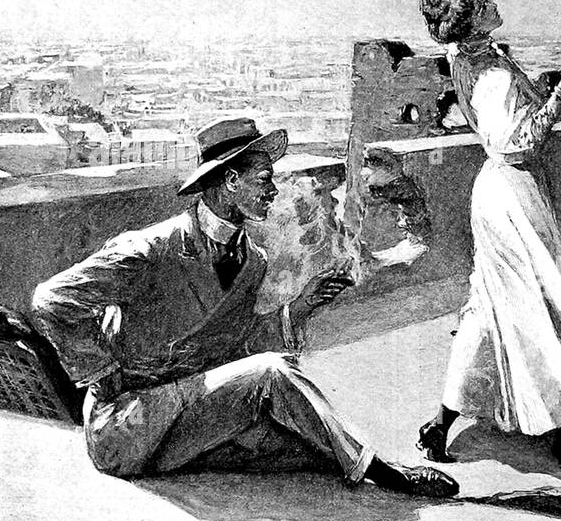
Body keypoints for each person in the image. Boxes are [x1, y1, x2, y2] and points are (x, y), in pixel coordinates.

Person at [31, 115, 458, 497]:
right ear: (231, 181)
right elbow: (52, 299)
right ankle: (387, 474)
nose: (273, 190)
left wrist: (300, 307)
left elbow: (238, 344)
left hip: (186, 422)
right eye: (264, 178)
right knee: (274, 374)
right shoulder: (148, 249)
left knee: (305, 444)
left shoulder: (253, 259)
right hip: (128, 426)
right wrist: (103, 373)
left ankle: (357, 461)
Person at [415, 0, 561, 469]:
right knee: (544, 308)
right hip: (511, 195)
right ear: (471, 16)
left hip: (499, 194)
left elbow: (467, 20)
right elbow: (521, 142)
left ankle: (441, 423)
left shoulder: (466, 54)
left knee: (488, 311)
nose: (494, 0)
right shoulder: (491, 76)